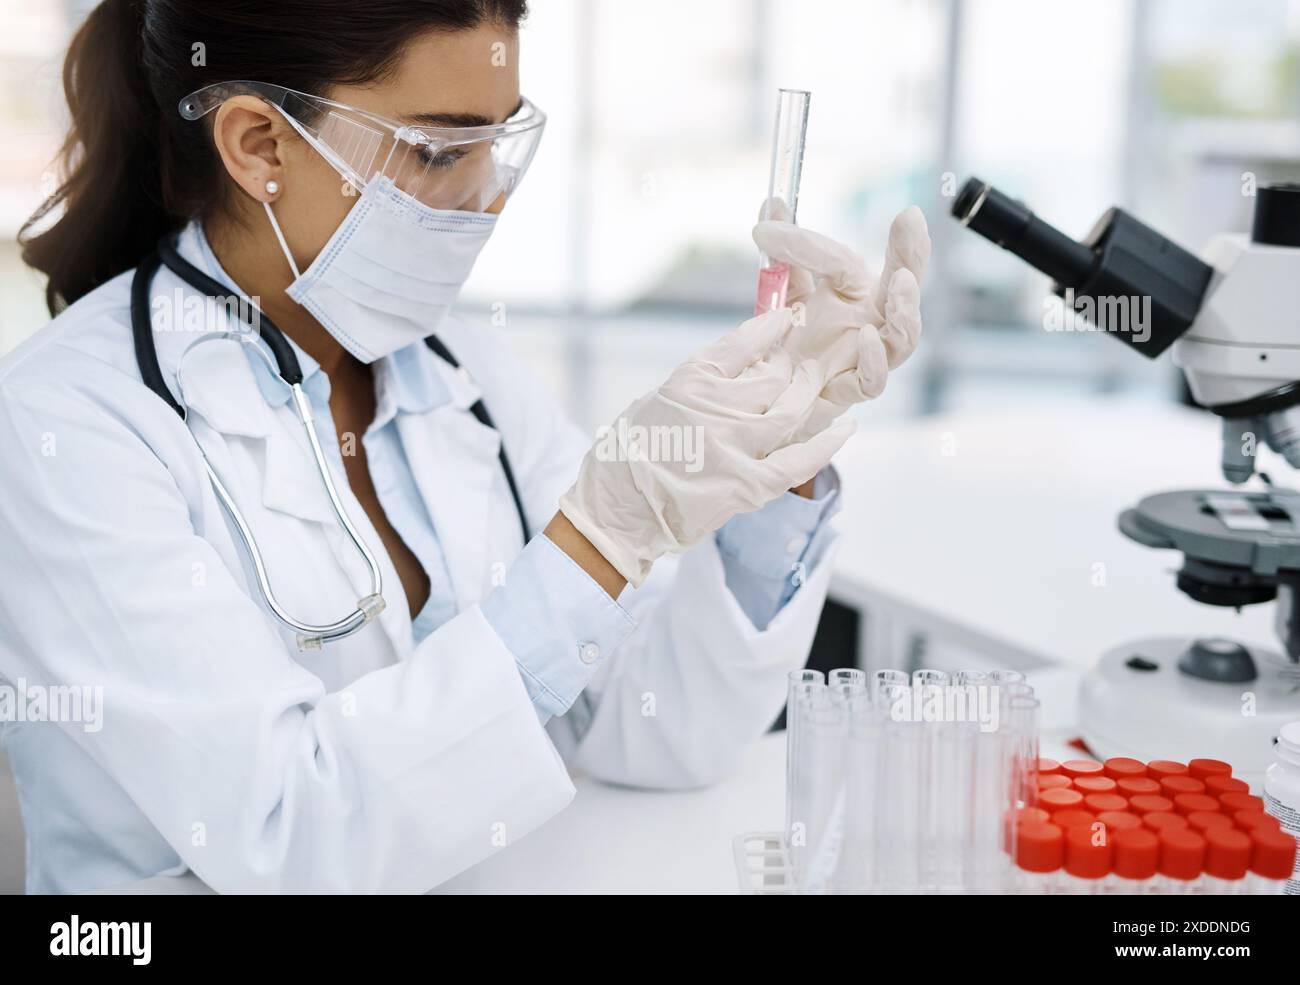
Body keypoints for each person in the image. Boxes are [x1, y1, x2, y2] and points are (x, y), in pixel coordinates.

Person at [0, 0, 929, 893]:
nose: (485, 198)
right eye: (439, 149)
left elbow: (651, 724)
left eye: (497, 144)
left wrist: (786, 443)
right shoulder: (70, 422)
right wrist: (598, 544)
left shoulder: (461, 366)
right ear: (260, 145)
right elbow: (287, 832)